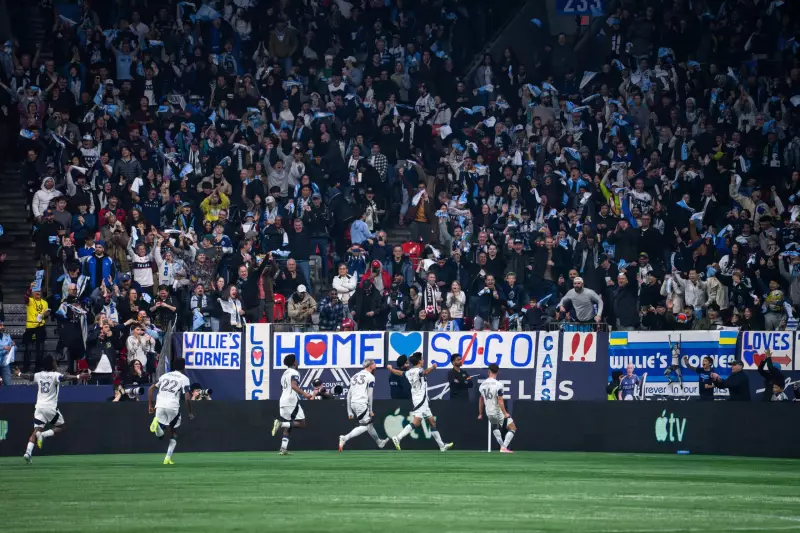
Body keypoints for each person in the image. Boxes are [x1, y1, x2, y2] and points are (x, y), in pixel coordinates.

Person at [17, 355, 86, 464]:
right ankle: (43, 435)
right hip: (50, 407)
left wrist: (20, 374)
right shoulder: (55, 375)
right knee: (61, 426)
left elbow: (29, 376)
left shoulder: (39, 375)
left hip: (39, 407)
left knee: (36, 430)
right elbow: (64, 378)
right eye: (54, 362)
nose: (55, 363)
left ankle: (28, 452)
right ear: (51, 364)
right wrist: (78, 377)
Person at [386, 353, 453, 452]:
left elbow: (399, 373)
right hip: (420, 400)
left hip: (422, 399)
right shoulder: (419, 370)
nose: (423, 361)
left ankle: (442, 445)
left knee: (432, 422)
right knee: (416, 422)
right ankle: (398, 438)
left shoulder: (409, 372)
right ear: (419, 361)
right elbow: (425, 373)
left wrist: (391, 369)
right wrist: (433, 367)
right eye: (422, 359)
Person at [147, 357, 193, 465]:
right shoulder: (184, 378)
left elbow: (150, 389)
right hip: (173, 407)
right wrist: (190, 412)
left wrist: (150, 405)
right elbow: (187, 397)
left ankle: (156, 424)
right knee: (174, 432)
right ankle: (167, 458)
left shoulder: (164, 376)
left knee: (160, 436)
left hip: (159, 405)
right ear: (184, 366)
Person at [338, 359, 389, 451]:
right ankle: (344, 438)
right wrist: (370, 410)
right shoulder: (370, 377)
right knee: (364, 426)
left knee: (369, 425)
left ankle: (379, 442)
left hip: (354, 403)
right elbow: (370, 394)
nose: (375, 366)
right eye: (374, 364)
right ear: (370, 366)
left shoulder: (354, 376)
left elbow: (349, 394)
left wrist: (349, 410)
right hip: (362, 403)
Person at [271, 354, 313, 455]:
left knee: (289, 425)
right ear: (294, 362)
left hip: (283, 401)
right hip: (291, 401)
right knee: (302, 423)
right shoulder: (295, 372)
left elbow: (282, 389)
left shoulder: (284, 374)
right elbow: (294, 386)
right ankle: (280, 424)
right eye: (297, 360)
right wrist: (305, 394)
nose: (298, 362)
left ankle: (283, 449)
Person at [478, 363, 517, 453]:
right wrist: (505, 413)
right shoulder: (498, 384)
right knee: (513, 428)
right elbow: (500, 400)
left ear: (489, 371)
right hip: (497, 410)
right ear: (497, 372)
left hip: (488, 410)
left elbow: (481, 399)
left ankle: (502, 447)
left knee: (495, 427)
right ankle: (503, 447)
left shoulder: (482, 385)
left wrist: (480, 413)